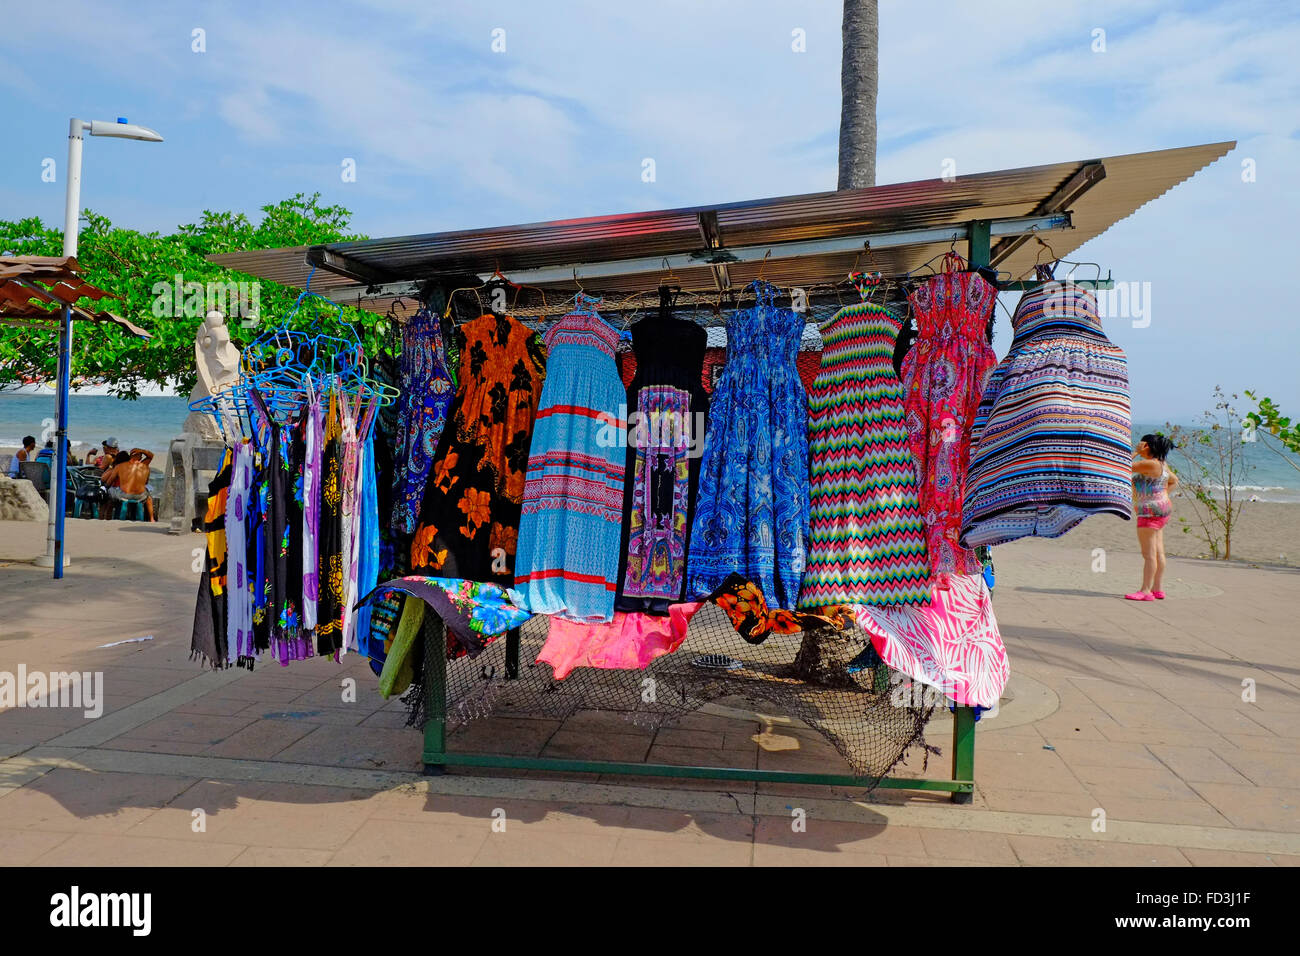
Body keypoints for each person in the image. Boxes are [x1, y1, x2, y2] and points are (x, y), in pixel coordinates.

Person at [1126, 433, 1179, 602]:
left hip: (1149, 511)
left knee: (1148, 555)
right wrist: (1162, 495)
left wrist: (1135, 452)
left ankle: (1146, 591)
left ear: (1147, 445)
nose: (1139, 444)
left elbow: (1121, 466)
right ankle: (1157, 588)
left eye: (1142, 442)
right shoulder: (1162, 464)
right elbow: (1174, 481)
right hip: (1161, 508)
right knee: (1158, 552)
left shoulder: (1149, 464)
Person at [102, 448, 156, 522]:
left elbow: (109, 482)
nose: (141, 458)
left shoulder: (120, 466)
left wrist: (106, 487)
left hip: (124, 495)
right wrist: (142, 451)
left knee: (110, 491)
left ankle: (108, 518)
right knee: (148, 496)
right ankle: (152, 519)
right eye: (140, 456)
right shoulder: (145, 466)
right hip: (141, 496)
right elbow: (146, 482)